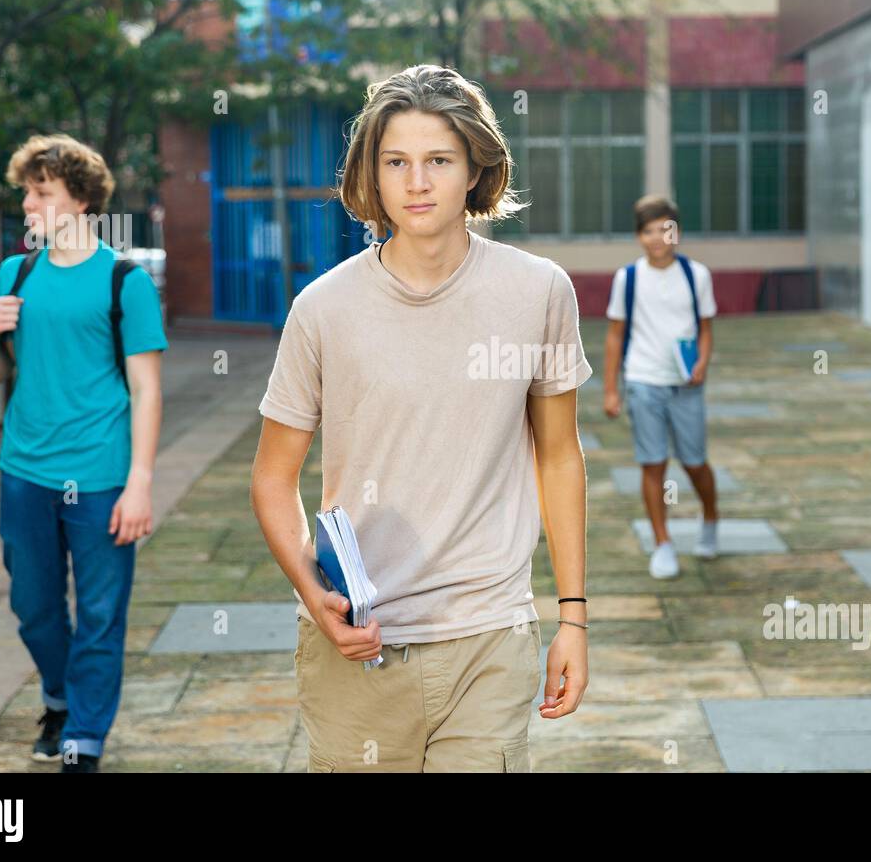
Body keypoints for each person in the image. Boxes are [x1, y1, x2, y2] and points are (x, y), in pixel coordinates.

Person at [251, 65, 593, 772]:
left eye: (438, 160)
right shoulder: (323, 308)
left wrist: (574, 617)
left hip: (489, 636)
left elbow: (559, 457)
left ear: (474, 169)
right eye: (396, 163)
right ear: (371, 177)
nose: (416, 182)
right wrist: (316, 599)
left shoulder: (539, 293)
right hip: (360, 648)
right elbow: (272, 478)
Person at [0, 134, 167, 771]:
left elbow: (145, 388)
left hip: (102, 473)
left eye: (42, 192)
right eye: (27, 191)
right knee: (33, 607)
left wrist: (140, 481)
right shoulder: (15, 274)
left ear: (80, 200)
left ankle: (84, 734)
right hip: (25, 470)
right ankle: (59, 696)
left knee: (102, 613)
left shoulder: (124, 282)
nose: (28, 204)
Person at [603, 195, 719, 579]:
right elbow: (615, 336)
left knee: (695, 463)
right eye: (649, 230)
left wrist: (702, 362)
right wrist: (611, 390)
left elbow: (705, 329)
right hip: (643, 381)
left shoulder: (696, 275)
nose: (658, 237)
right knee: (652, 464)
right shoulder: (629, 278)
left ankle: (710, 518)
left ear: (678, 232)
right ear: (639, 236)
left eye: (665, 229)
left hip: (686, 384)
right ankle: (663, 543)